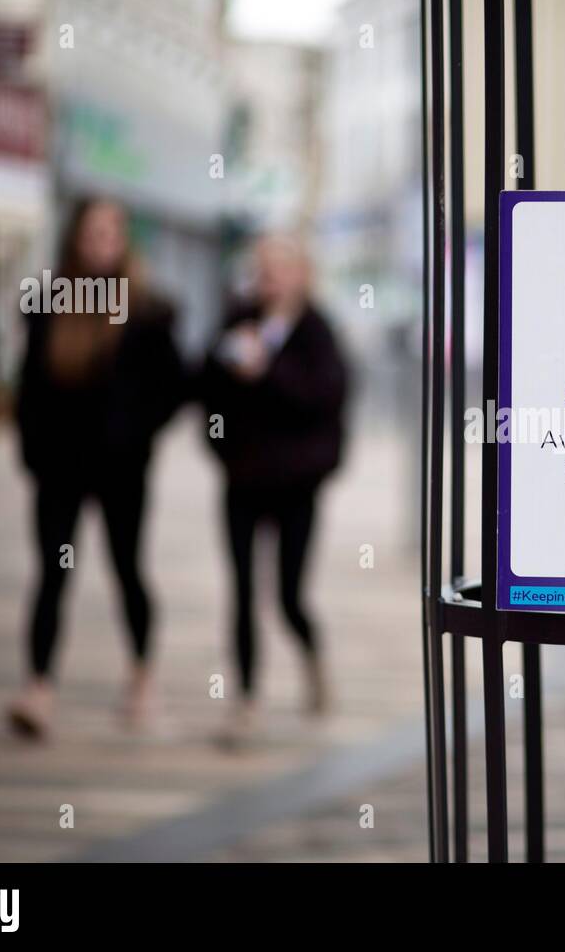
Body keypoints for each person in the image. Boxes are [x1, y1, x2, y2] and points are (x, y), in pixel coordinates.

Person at [7, 199, 186, 739]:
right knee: (52, 575)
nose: (100, 243)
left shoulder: (148, 311)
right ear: (74, 238)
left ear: (123, 240)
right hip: (60, 469)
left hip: (122, 471)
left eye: (110, 233)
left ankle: (141, 675)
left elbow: (174, 387)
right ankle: (38, 688)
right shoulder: (49, 304)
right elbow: (28, 389)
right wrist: (33, 452)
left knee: (127, 570)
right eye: (91, 232)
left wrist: (138, 433)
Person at [201, 234, 348, 745]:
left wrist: (269, 372)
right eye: (262, 269)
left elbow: (326, 399)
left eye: (281, 269)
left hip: (295, 488)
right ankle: (246, 699)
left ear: (303, 274)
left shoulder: (318, 333)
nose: (270, 279)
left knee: (287, 596)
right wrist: (220, 449)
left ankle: (312, 656)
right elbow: (208, 392)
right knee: (240, 590)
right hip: (242, 482)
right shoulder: (235, 320)